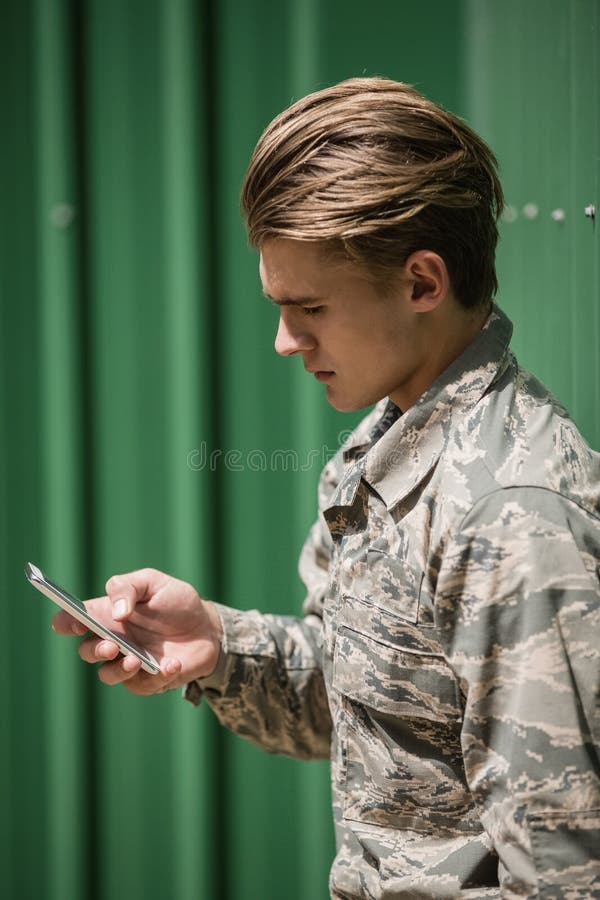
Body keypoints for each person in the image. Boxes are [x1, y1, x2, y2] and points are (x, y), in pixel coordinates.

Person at [52, 78, 600, 898]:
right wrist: (220, 647)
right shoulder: (389, 441)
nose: (283, 340)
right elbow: (390, 719)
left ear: (422, 282)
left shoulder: (509, 515)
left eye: (308, 306)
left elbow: (564, 871)